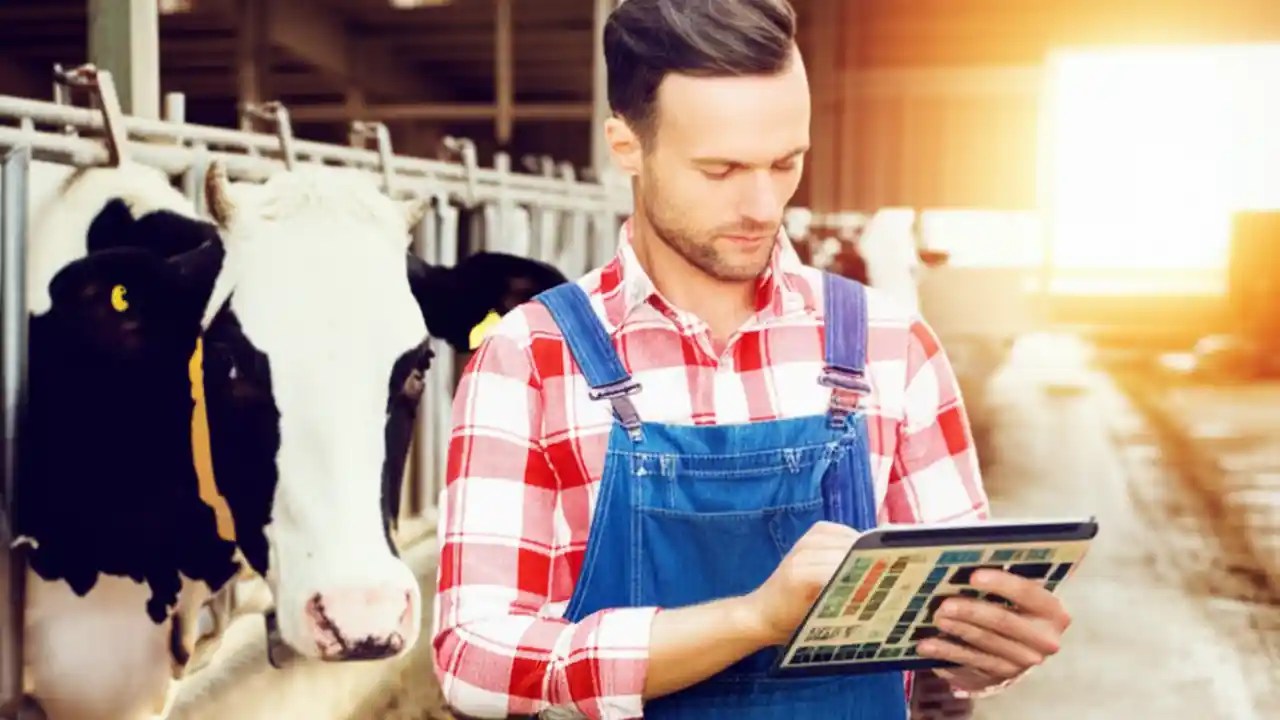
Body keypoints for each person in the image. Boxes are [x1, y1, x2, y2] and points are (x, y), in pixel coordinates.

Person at [430, 1, 1073, 718]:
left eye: (785, 163)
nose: (763, 205)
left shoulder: (895, 349)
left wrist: (993, 647)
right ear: (626, 146)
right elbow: (474, 662)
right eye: (721, 169)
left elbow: (949, 630)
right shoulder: (530, 359)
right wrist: (751, 621)